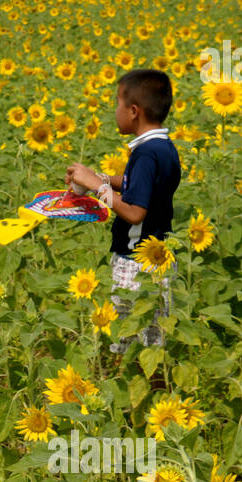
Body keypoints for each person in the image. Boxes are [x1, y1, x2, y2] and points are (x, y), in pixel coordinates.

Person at [66, 69, 181, 383]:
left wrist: (98, 188)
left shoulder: (145, 154)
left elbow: (134, 212)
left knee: (125, 335)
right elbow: (138, 184)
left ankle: (120, 392)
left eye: (117, 103)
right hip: (160, 258)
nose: (114, 110)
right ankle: (155, 386)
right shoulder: (163, 147)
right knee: (155, 338)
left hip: (135, 262)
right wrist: (102, 178)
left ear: (134, 111)